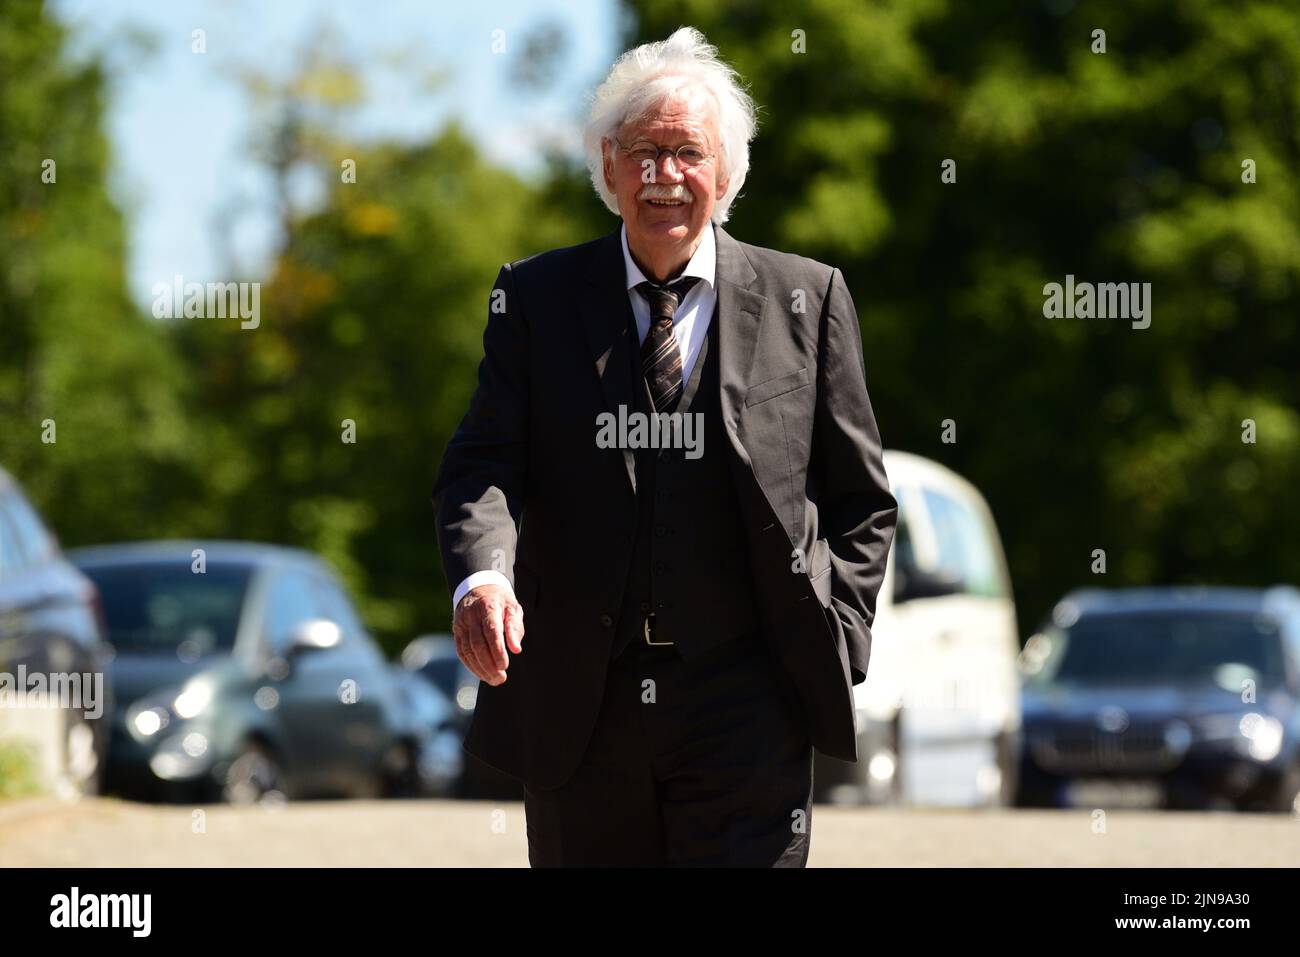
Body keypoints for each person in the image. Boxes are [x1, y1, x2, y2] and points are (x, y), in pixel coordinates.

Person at [432, 26, 897, 866]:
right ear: (608, 167)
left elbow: (862, 498)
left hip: (751, 701)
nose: (665, 176)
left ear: (725, 171)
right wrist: (481, 577)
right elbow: (482, 464)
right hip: (583, 703)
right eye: (644, 151)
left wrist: (840, 632)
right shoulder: (535, 298)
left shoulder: (809, 298)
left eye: (687, 151)